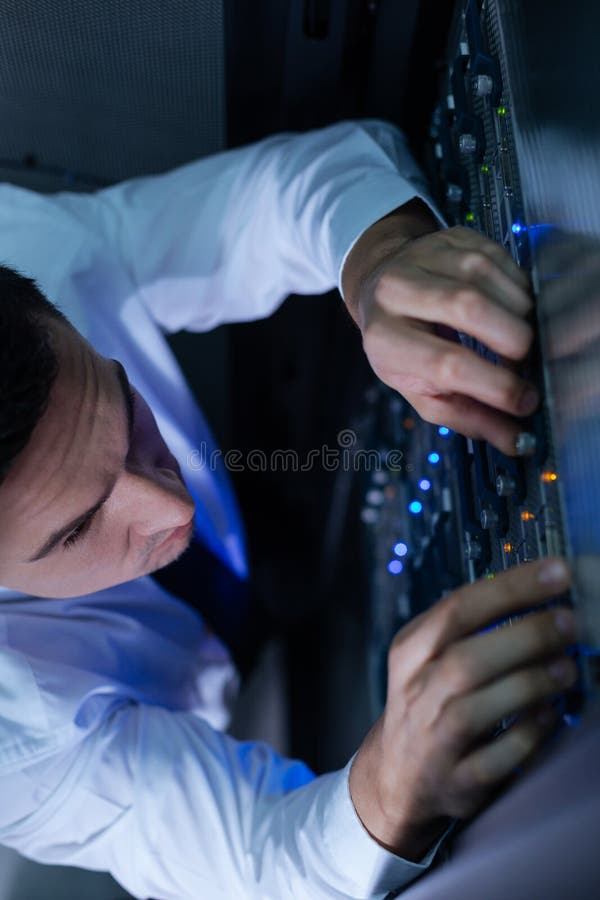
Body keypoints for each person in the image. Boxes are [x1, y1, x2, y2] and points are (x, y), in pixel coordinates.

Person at [0, 120, 578, 899]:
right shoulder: (14, 747)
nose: (172, 506)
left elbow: (274, 199)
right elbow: (256, 856)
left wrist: (378, 265)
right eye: (75, 527)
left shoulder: (23, 249)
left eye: (123, 410)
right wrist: (389, 792)